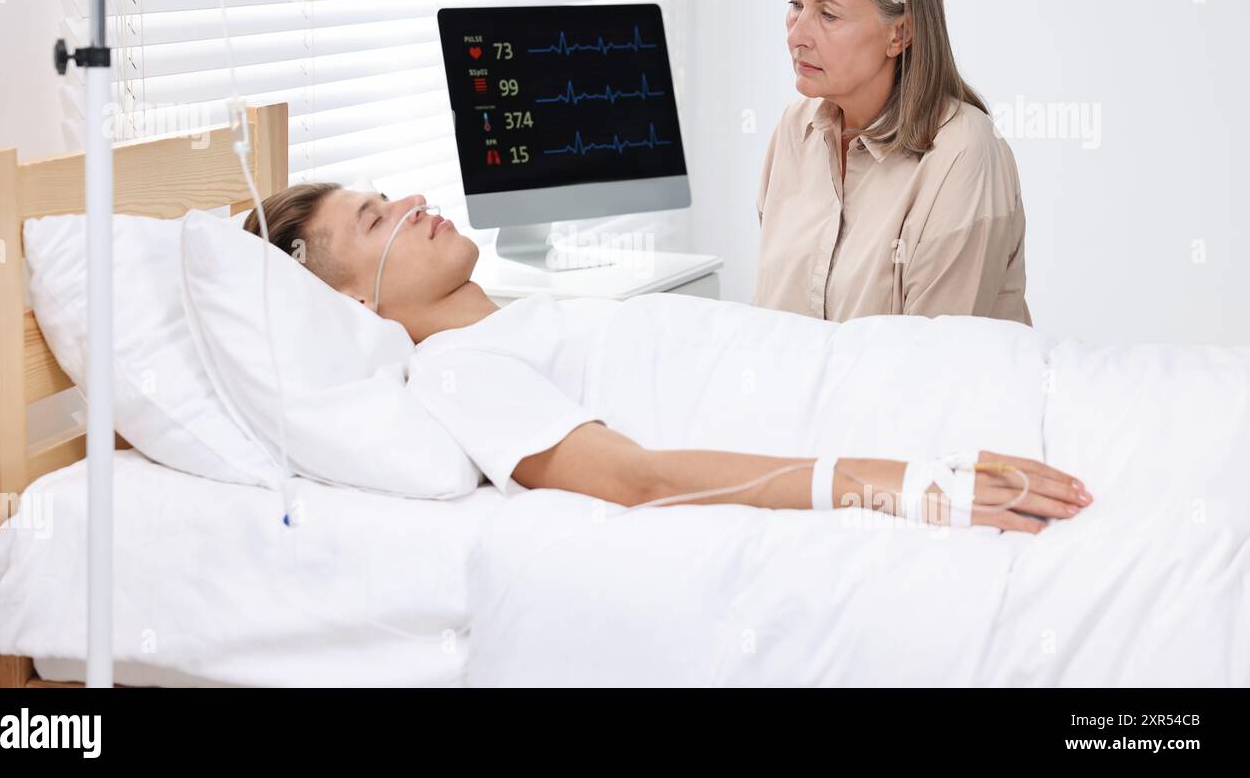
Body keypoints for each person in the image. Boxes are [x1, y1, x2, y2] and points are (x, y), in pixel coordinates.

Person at [244, 183, 1090, 533]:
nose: (411, 202)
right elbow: (636, 479)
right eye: (374, 220)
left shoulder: (518, 320)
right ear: (352, 304)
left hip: (884, 368)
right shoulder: (456, 373)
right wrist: (906, 485)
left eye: (387, 194)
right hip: (864, 422)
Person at [754, 0, 1031, 325]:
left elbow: (929, 367)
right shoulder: (796, 130)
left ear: (899, 33)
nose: (796, 35)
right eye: (795, 4)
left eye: (828, 14)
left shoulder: (964, 156)